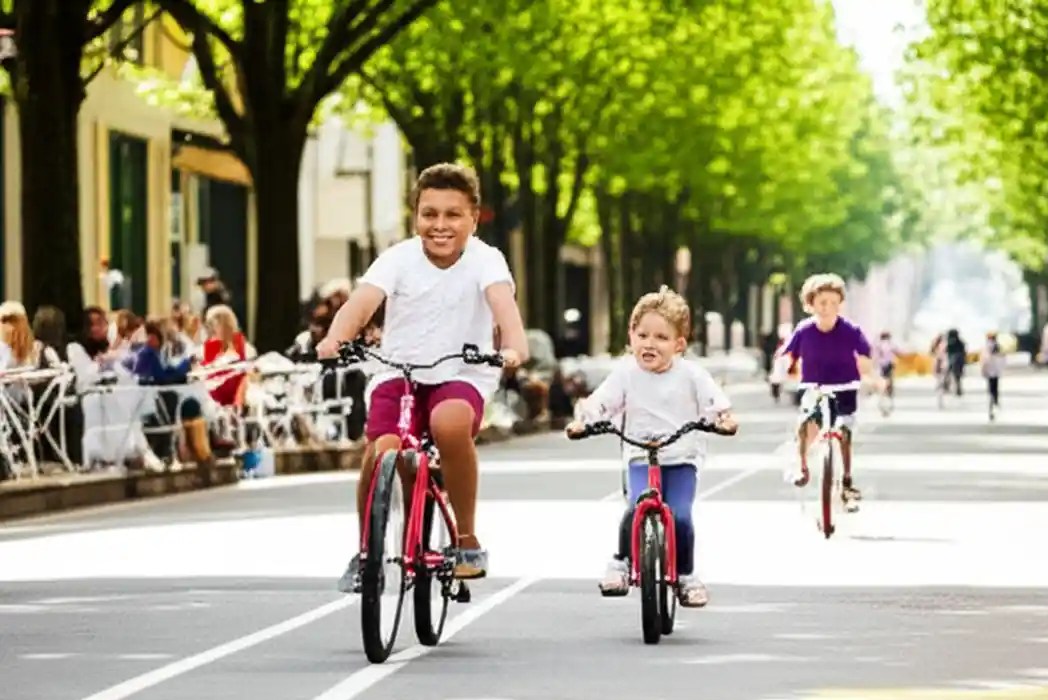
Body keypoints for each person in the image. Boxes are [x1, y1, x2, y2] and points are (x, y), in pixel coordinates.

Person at [318, 163, 528, 590]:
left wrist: (513, 348)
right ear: (415, 216)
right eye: (429, 213)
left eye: (453, 215)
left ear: (473, 217)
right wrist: (334, 339)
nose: (440, 225)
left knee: (448, 424)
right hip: (399, 370)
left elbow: (504, 309)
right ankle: (366, 553)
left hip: (461, 371)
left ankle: (465, 540)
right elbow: (361, 303)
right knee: (382, 452)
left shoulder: (486, 260)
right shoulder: (398, 257)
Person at [566, 287, 736, 607]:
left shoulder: (692, 375)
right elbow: (601, 403)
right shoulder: (625, 374)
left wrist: (724, 419)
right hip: (640, 455)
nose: (649, 343)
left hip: (682, 458)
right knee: (636, 507)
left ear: (679, 344)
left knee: (681, 516)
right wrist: (583, 422)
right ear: (630, 336)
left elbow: (717, 406)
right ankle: (620, 563)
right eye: (642, 334)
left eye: (661, 337)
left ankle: (686, 576)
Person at [769, 273, 872, 499]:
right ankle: (802, 466)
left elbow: (865, 355)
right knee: (808, 425)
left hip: (846, 387)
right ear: (811, 304)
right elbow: (786, 354)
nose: (828, 308)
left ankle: (846, 479)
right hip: (813, 386)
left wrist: (870, 376)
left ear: (840, 305)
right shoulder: (804, 330)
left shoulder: (850, 330)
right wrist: (779, 374)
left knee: (844, 430)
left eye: (834, 303)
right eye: (822, 303)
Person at [979, 331, 1006, 421]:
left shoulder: (985, 347)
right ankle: (995, 401)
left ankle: (992, 403)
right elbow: (1002, 359)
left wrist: (983, 370)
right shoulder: (998, 347)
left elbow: (983, 360)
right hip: (996, 370)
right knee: (995, 387)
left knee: (990, 388)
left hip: (989, 370)